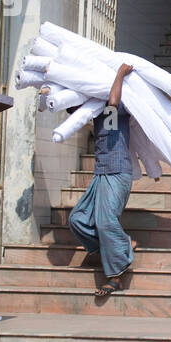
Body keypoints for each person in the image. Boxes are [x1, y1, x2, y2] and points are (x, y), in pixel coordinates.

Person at [68, 62, 136, 298]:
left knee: (106, 222)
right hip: (101, 174)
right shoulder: (96, 117)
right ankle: (118, 245)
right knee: (77, 219)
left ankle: (115, 275)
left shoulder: (114, 114)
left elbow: (113, 103)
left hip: (117, 173)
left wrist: (120, 73)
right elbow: (72, 108)